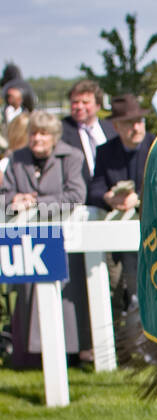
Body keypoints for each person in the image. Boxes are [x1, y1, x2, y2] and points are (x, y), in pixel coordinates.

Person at [5, 111, 90, 366]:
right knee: (29, 298)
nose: (37, 139)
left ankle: (72, 352)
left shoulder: (72, 157)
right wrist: (12, 201)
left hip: (63, 239)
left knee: (66, 297)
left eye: (43, 134)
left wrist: (36, 204)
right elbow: (3, 195)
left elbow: (76, 194)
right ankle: (29, 356)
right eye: (33, 133)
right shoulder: (17, 159)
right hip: (28, 241)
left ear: (53, 137)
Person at [88, 93, 155, 313]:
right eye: (129, 124)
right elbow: (94, 190)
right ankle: (122, 344)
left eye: (139, 122)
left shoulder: (156, 145)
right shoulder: (106, 152)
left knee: (149, 291)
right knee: (115, 290)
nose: (136, 128)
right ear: (116, 127)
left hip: (152, 235)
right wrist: (109, 198)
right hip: (116, 235)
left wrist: (139, 197)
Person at [60, 79, 117, 187]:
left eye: (85, 102)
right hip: (79, 197)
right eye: (75, 102)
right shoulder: (61, 131)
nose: (79, 107)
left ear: (98, 105)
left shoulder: (111, 128)